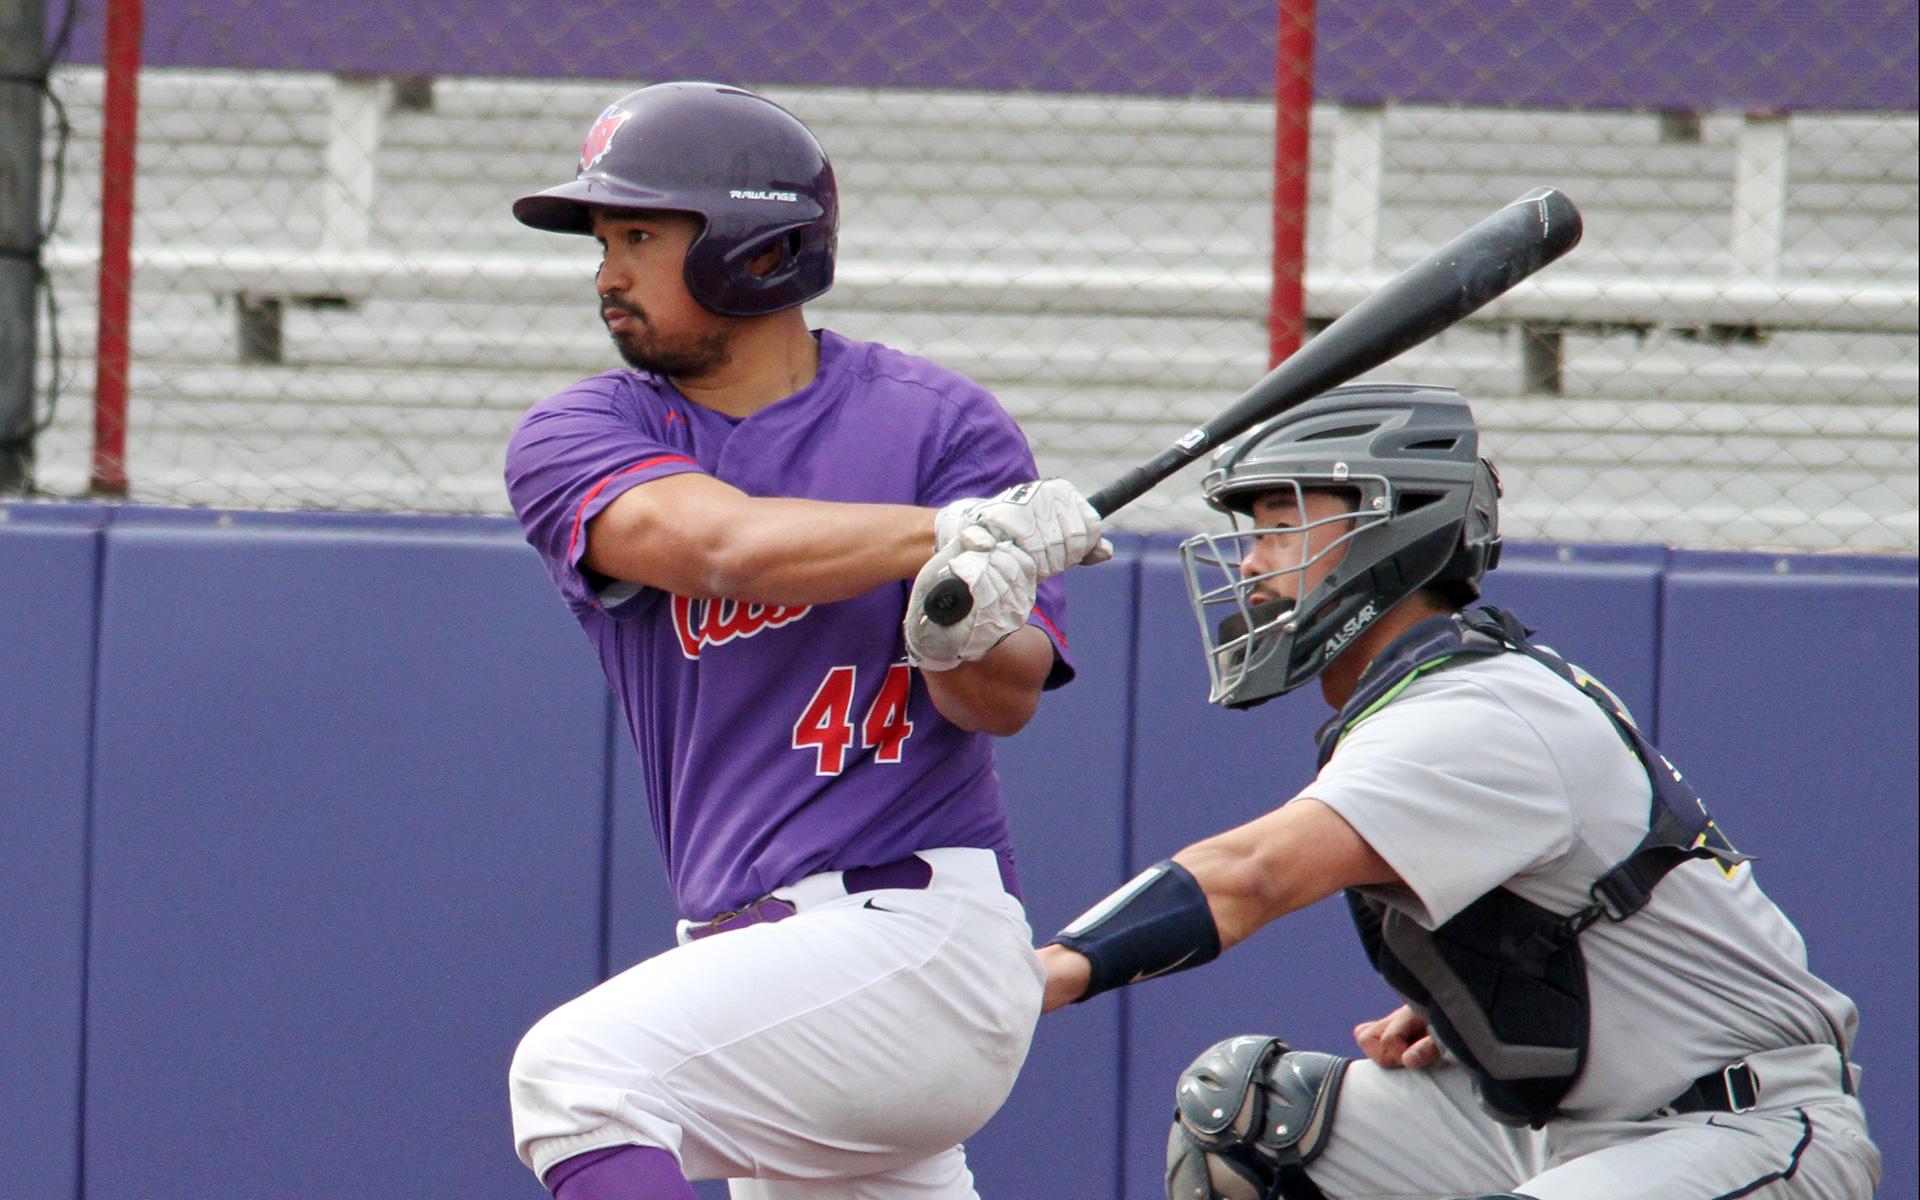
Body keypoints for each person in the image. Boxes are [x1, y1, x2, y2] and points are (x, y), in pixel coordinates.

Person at [1033, 383, 1880, 1200]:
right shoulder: (1443, 689)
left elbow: (1251, 872)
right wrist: (1469, 1012)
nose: (1251, 562)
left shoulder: (1478, 710)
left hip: (1737, 1127)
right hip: (1589, 1122)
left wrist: (1046, 971)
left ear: (1387, 539)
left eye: (1284, 527)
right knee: (1246, 1117)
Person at [501, 82, 1108, 1200]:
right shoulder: (584, 431)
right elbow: (718, 545)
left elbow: (1002, 698)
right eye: (603, 241)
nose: (607, 273)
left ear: (753, 248)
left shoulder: (940, 424)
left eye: (640, 234)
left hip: (914, 934)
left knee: (577, 1078)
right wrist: (945, 536)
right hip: (763, 964)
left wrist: (965, 624)